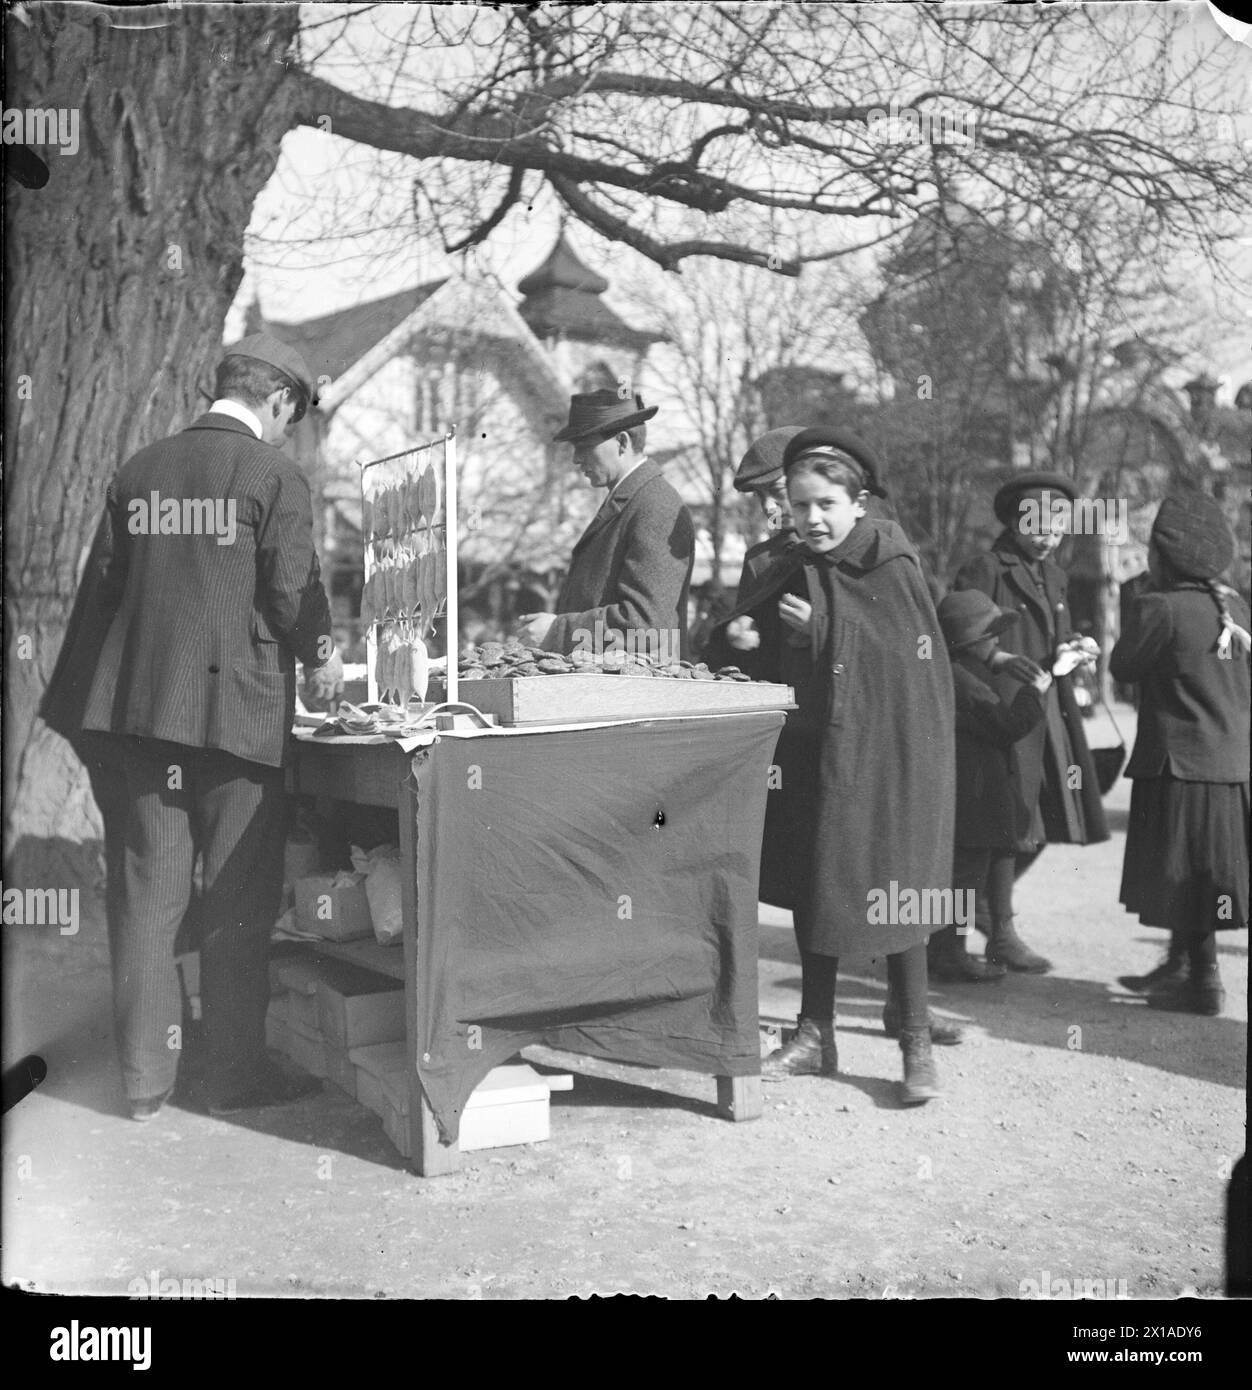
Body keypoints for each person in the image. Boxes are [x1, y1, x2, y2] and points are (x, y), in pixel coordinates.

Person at [79, 332, 344, 1120]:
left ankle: (143, 1082)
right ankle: (231, 1076)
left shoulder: (139, 470)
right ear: (280, 400)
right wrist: (324, 658)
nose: (289, 429)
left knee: (147, 898)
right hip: (239, 723)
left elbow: (107, 590)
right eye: (293, 416)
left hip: (140, 721)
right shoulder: (274, 474)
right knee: (235, 900)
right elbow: (292, 593)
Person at [750, 427, 957, 1105]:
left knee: (896, 883)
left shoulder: (889, 561)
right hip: (818, 752)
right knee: (819, 885)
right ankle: (814, 1034)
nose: (811, 519)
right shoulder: (798, 562)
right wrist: (753, 636)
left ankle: (916, 1041)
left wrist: (824, 631)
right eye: (800, 505)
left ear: (858, 502)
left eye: (826, 505)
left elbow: (912, 665)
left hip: (888, 757)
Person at [952, 471, 1108, 972]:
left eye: (1058, 528)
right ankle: (998, 929)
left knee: (1033, 818)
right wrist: (998, 658)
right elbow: (958, 631)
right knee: (1003, 821)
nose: (1048, 538)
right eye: (1038, 527)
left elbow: (1052, 636)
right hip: (997, 714)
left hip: (1043, 709)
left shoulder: (1056, 575)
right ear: (1015, 523)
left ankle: (990, 917)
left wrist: (1072, 649)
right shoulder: (985, 567)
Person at [1110, 490, 1250, 1015]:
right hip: (1230, 767)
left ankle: (1203, 982)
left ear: (1164, 557)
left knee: (1185, 871)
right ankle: (1179, 965)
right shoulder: (1235, 605)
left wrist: (1142, 600)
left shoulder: (1160, 606)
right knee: (1204, 870)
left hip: (1178, 764)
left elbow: (1124, 667)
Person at [936, 591, 1088, 982]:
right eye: (992, 638)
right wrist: (1034, 693)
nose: (999, 645)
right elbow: (1008, 727)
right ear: (971, 644)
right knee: (965, 879)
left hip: (965, 793)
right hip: (975, 796)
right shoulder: (969, 685)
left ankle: (948, 950)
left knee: (961, 877)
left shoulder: (952, 672)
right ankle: (949, 955)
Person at [516, 389, 694, 660]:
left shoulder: (655, 505)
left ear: (622, 442)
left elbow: (644, 623)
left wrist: (557, 631)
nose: (576, 458)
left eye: (585, 446)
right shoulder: (635, 500)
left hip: (637, 694)